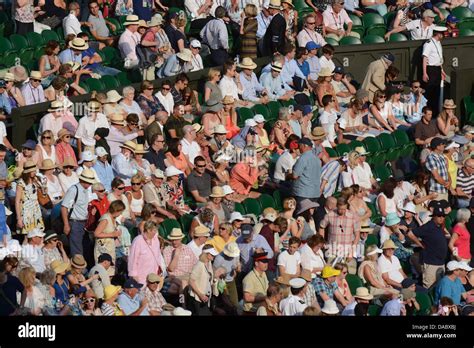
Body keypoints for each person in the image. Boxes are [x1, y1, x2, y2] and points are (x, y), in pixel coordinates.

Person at [61, 168, 95, 256]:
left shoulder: (85, 190)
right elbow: (64, 207)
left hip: (83, 223)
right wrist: (66, 224)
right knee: (77, 250)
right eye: (88, 182)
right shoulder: (74, 190)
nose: (90, 184)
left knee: (85, 248)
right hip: (75, 223)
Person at [422, 26, 447, 116]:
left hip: (437, 69)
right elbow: (425, 58)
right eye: (442, 34)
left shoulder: (438, 43)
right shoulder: (428, 44)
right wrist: (425, 73)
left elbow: (438, 58)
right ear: (438, 34)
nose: (444, 35)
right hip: (430, 69)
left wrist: (442, 70)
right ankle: (425, 112)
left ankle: (435, 113)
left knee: (436, 92)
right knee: (429, 91)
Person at [188, 245, 219, 315]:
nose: (214, 256)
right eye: (212, 255)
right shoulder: (199, 265)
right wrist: (200, 295)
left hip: (206, 296)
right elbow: (191, 281)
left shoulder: (209, 263)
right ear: (206, 254)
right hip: (198, 298)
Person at [289, 137, 321, 203]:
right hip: (315, 193)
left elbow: (295, 176)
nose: (298, 148)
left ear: (304, 146)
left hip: (303, 193)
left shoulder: (303, 158)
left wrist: (288, 175)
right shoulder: (317, 159)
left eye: (299, 145)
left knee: (301, 213)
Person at [425, 137, 450, 202]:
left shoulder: (442, 156)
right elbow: (436, 176)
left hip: (444, 190)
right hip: (436, 191)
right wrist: (446, 184)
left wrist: (449, 182)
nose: (444, 145)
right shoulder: (431, 157)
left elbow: (447, 171)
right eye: (442, 144)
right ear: (437, 147)